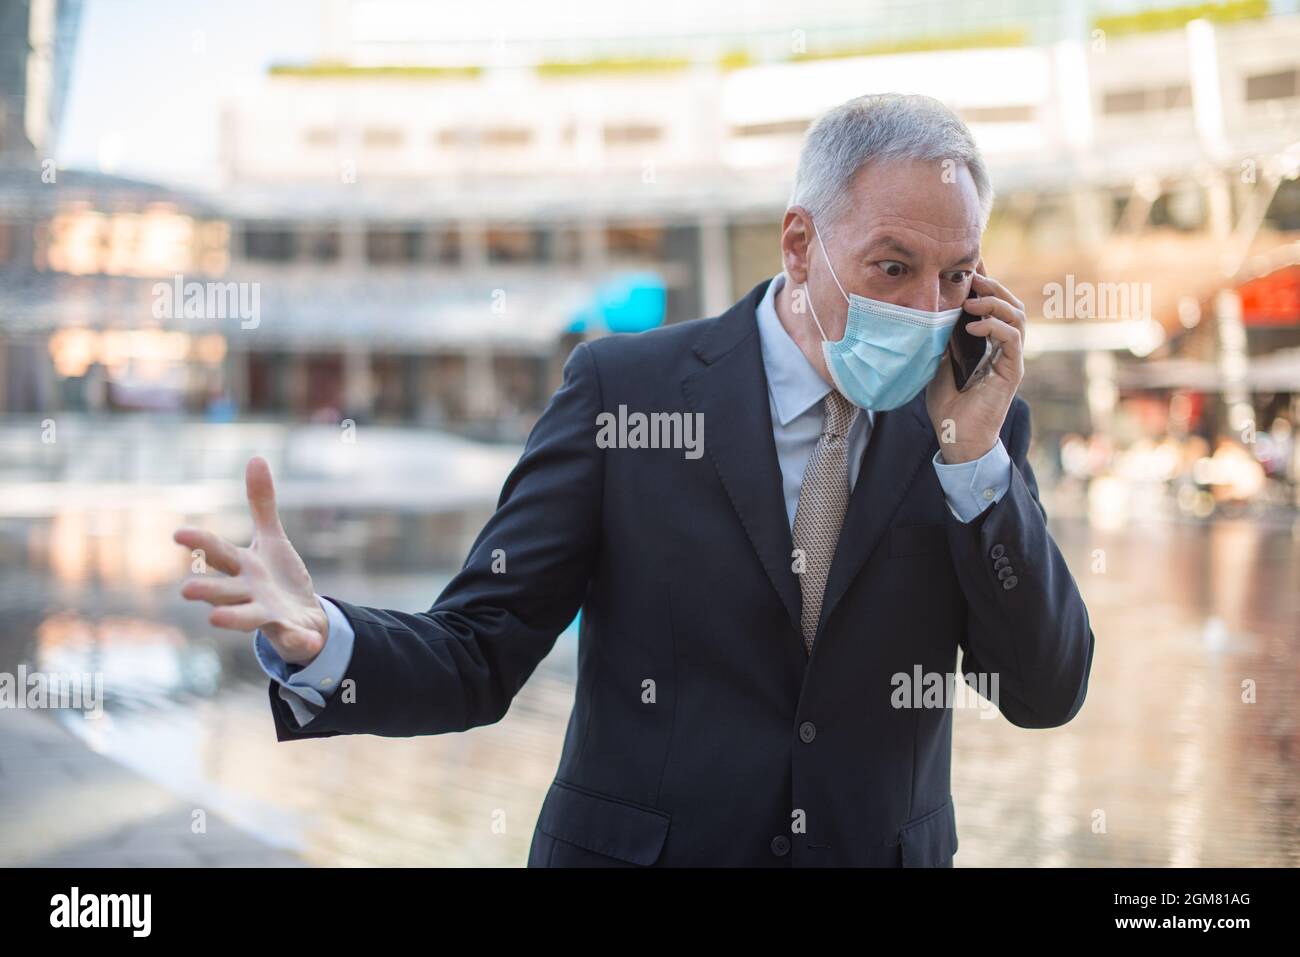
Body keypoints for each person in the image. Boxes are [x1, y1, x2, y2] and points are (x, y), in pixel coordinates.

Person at [174, 93, 1094, 867]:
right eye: (893, 268)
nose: (927, 309)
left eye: (956, 276)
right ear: (801, 243)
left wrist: (976, 463)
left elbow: (1041, 692)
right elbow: (481, 649)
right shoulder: (624, 390)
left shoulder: (977, 428)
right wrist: (321, 639)